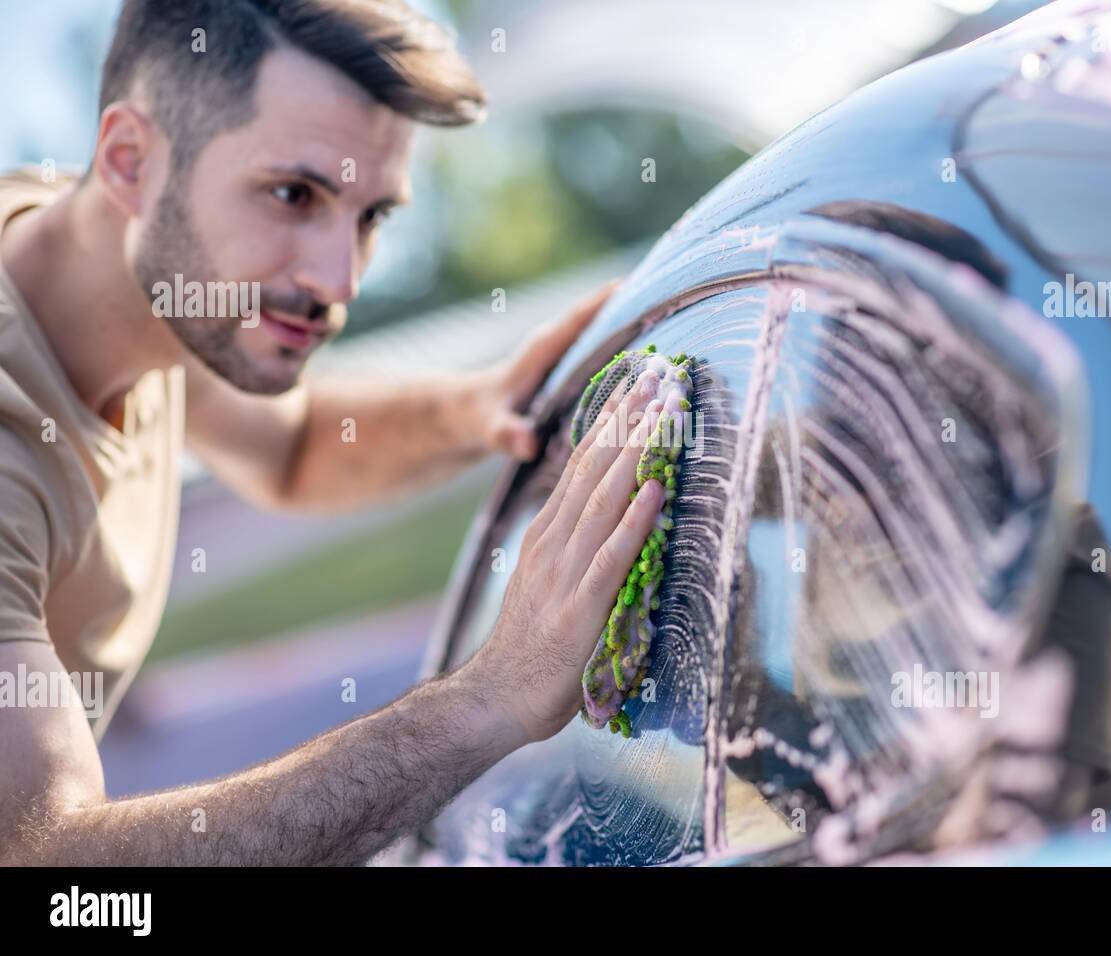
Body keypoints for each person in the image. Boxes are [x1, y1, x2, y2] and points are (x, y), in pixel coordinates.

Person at [0, 0, 664, 865]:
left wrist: (483, 412)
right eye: (293, 194)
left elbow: (295, 444)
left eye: (372, 216)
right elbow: (52, 868)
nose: (337, 279)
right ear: (130, 161)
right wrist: (490, 700)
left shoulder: (131, 273)